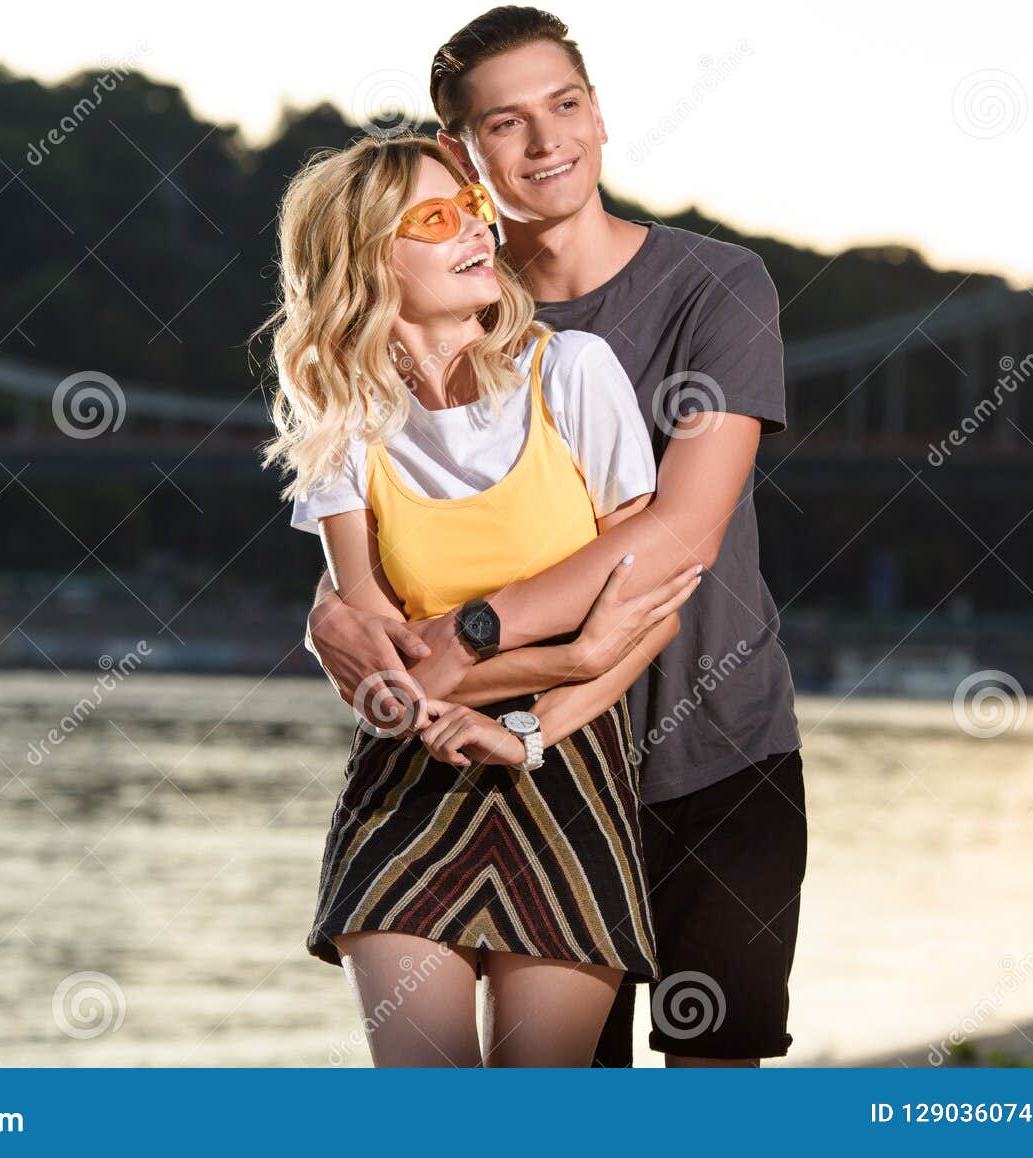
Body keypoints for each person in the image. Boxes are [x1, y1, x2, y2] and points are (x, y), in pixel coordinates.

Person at [307, 7, 808, 1067]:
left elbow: (677, 536)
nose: (546, 145)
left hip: (710, 749)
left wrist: (466, 643)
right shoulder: (449, 295)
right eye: (505, 123)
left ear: (599, 114)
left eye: (566, 106)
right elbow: (367, 541)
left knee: (715, 1083)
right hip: (496, 762)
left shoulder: (715, 287)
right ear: (457, 150)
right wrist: (335, 615)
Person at [258, 132, 704, 1066]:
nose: (475, 226)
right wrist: (563, 647)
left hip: (568, 766)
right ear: (365, 256)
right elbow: (382, 672)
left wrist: (538, 715)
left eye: (472, 205)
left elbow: (651, 602)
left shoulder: (572, 371)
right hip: (406, 785)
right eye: (436, 217)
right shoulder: (343, 424)